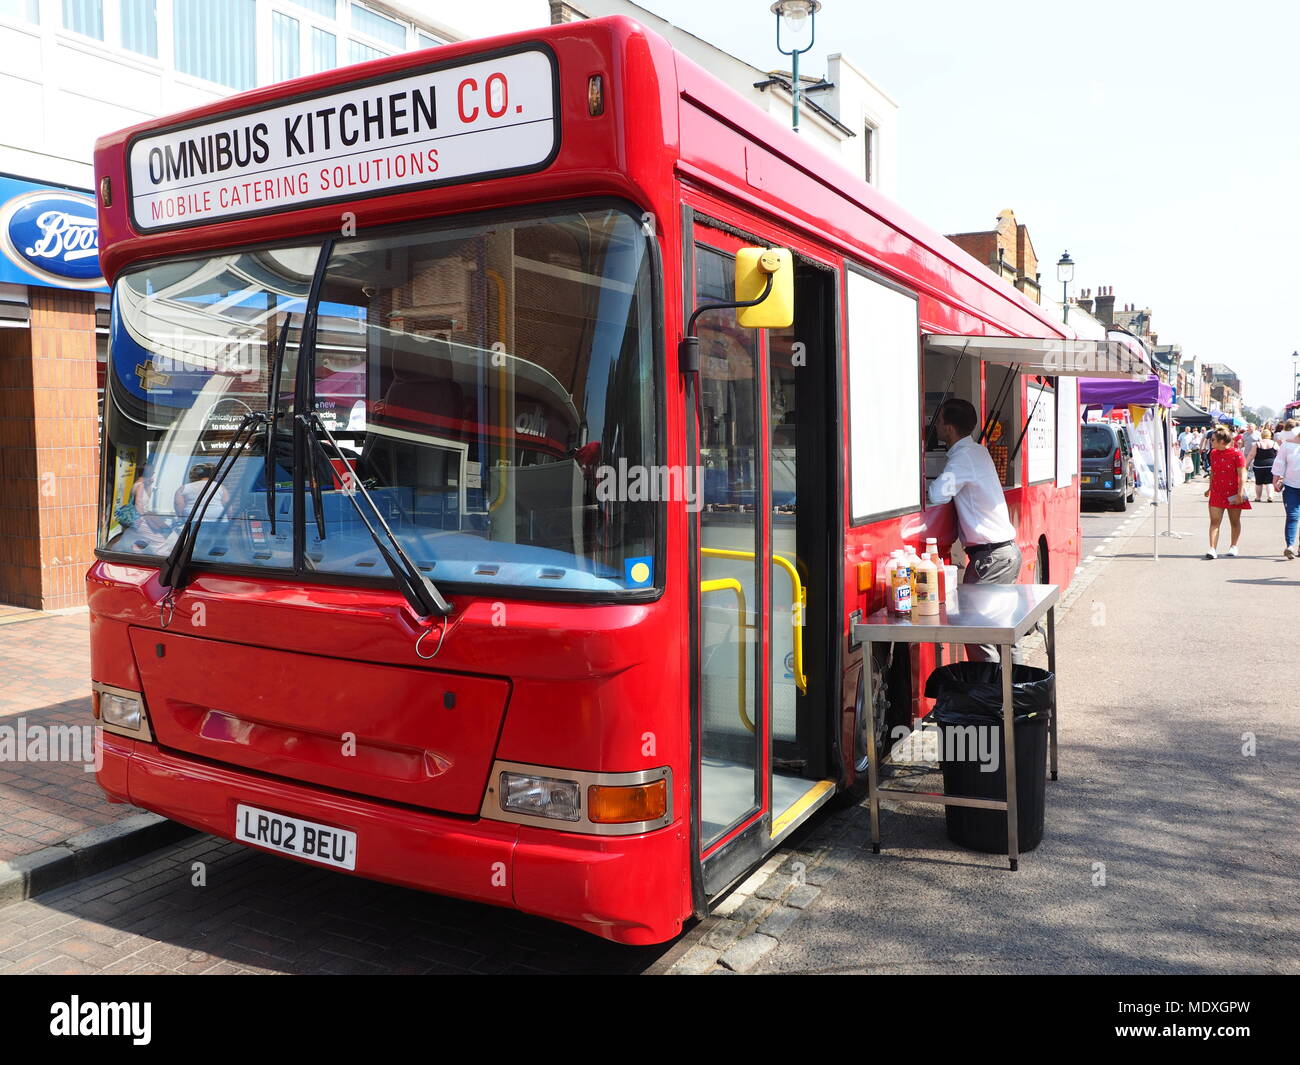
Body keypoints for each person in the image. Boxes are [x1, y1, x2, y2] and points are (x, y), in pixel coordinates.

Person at [927, 397, 1021, 662]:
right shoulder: (977, 451)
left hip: (989, 559)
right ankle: (1013, 696)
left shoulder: (964, 457)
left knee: (976, 632)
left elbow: (937, 494)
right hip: (1004, 554)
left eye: (939, 421)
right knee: (1001, 631)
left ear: (949, 427)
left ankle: (990, 698)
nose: (935, 427)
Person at [1203, 427, 1250, 559]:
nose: (1211, 442)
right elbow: (1213, 472)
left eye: (1213, 440)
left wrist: (1240, 492)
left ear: (1222, 441)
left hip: (1233, 492)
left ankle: (1234, 546)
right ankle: (1212, 548)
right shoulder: (1213, 453)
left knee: (1234, 521)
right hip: (1217, 491)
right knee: (1214, 521)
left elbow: (1242, 474)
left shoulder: (1237, 454)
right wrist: (1210, 488)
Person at [1272, 435, 1300, 559]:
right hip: (1291, 486)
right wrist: (1275, 478)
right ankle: (1290, 546)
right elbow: (1280, 462)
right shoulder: (1288, 445)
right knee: (1293, 516)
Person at [1248, 429, 1278, 502]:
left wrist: (1246, 464)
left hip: (1259, 465)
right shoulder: (1274, 443)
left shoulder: (1257, 444)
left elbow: (1251, 455)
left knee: (1258, 482)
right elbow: (1279, 455)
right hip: (1271, 465)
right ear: (1270, 435)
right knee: (1269, 482)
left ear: (1261, 435)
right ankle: (1270, 496)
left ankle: (1258, 497)